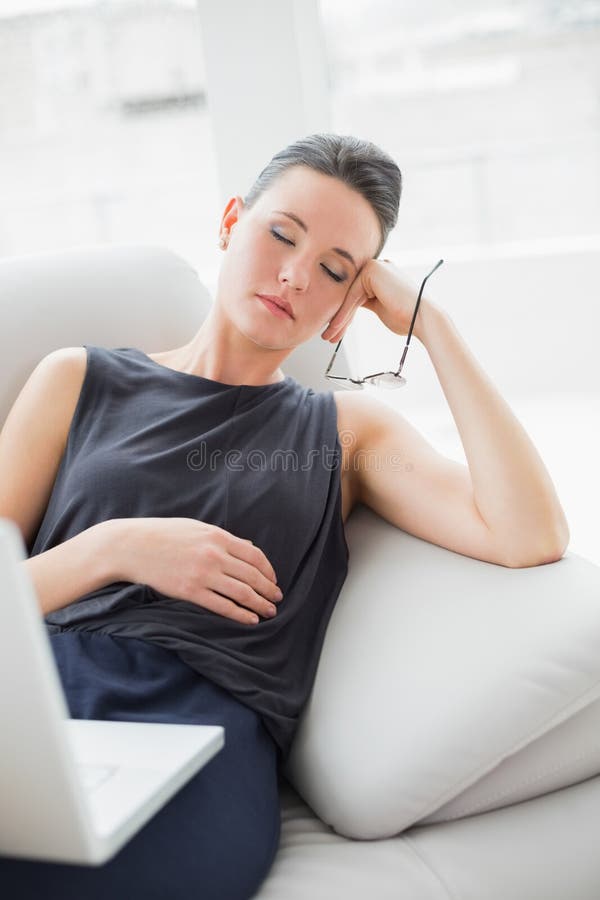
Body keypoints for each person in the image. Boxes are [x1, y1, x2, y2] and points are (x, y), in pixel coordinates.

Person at [0, 132, 569, 899]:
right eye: (282, 234)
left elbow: (527, 534)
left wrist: (433, 325)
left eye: (336, 270)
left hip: (203, 732)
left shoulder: (343, 432)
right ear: (232, 222)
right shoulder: (77, 378)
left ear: (351, 300)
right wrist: (114, 547)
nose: (298, 275)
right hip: (41, 692)